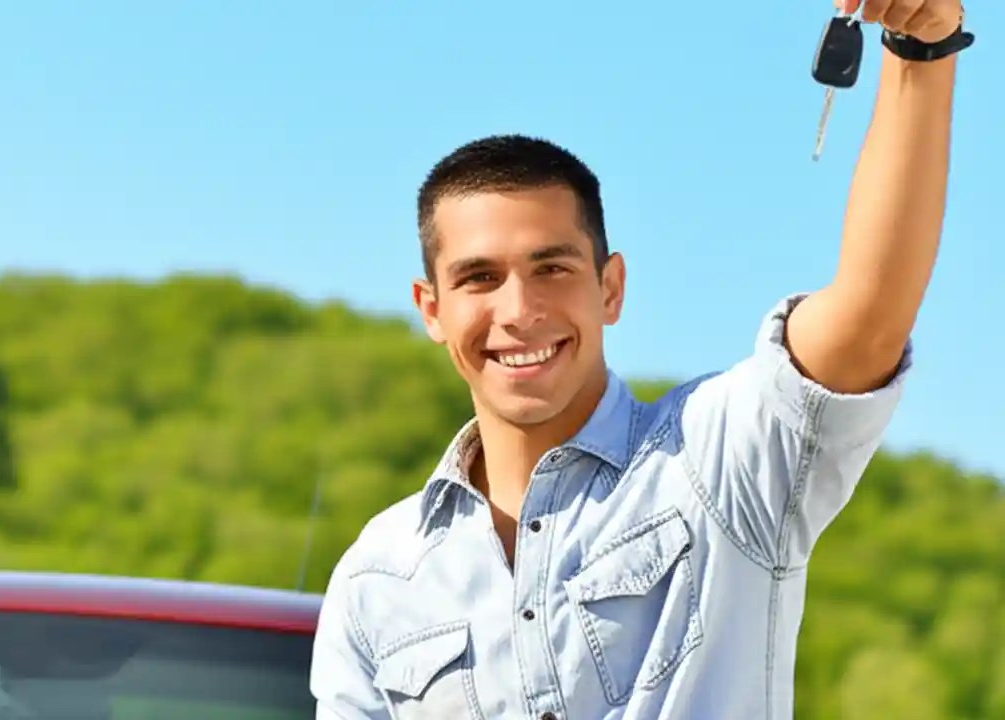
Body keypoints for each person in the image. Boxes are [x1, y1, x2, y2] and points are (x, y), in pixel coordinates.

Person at [309, 0, 973, 718]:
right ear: (432, 308)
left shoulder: (718, 462)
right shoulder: (378, 576)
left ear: (611, 288)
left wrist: (920, 49)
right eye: (478, 278)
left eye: (552, 268)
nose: (518, 309)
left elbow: (869, 319)